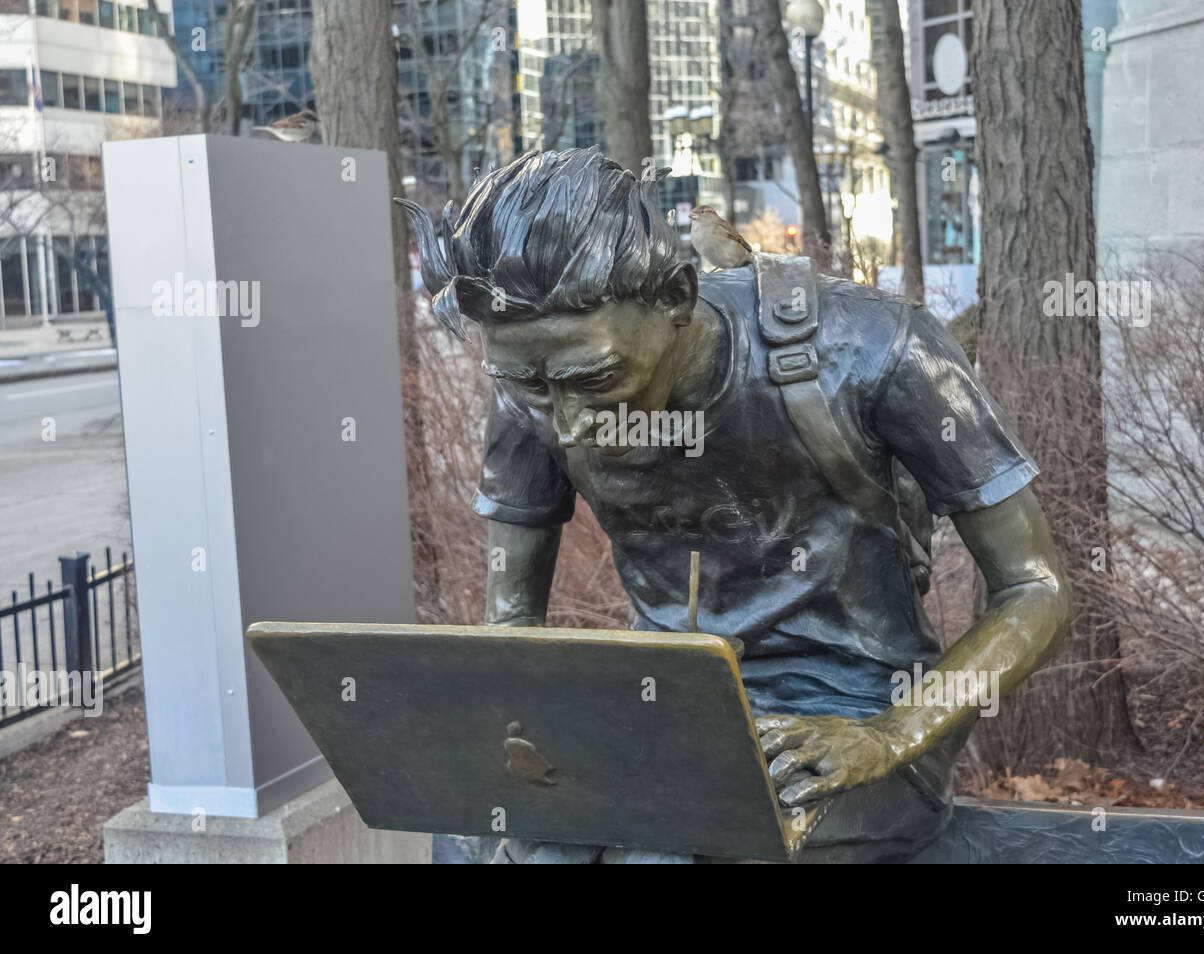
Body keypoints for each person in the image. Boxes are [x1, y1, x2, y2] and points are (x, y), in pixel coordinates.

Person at [400, 146, 1071, 863]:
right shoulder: (534, 385)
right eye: (527, 382)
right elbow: (511, 620)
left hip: (854, 716)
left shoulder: (877, 349)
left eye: (593, 378)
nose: (566, 423)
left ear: (677, 298)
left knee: (682, 851)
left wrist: (892, 736)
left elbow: (1037, 589)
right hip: (660, 717)